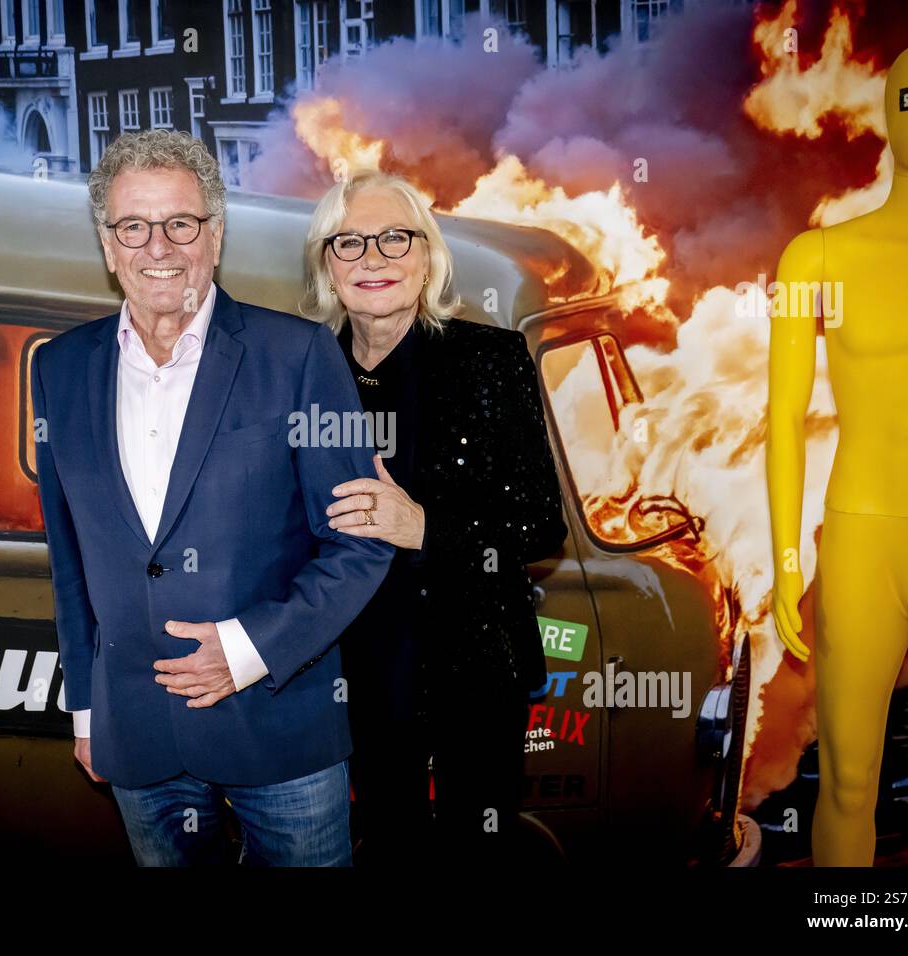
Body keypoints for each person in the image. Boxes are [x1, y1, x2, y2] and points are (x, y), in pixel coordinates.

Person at [31, 129, 393, 866]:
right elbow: (68, 558)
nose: (157, 246)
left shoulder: (297, 355)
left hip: (281, 719)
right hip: (135, 729)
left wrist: (250, 648)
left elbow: (360, 543)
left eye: (180, 223)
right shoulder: (60, 368)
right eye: (133, 225)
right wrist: (88, 707)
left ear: (215, 236)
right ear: (108, 244)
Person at [300, 169, 568, 865]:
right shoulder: (303, 373)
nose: (373, 259)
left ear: (427, 258)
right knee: (387, 849)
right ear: (327, 265)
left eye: (395, 239)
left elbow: (541, 522)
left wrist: (424, 526)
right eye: (349, 243)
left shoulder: (490, 359)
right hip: (353, 667)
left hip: (474, 667)